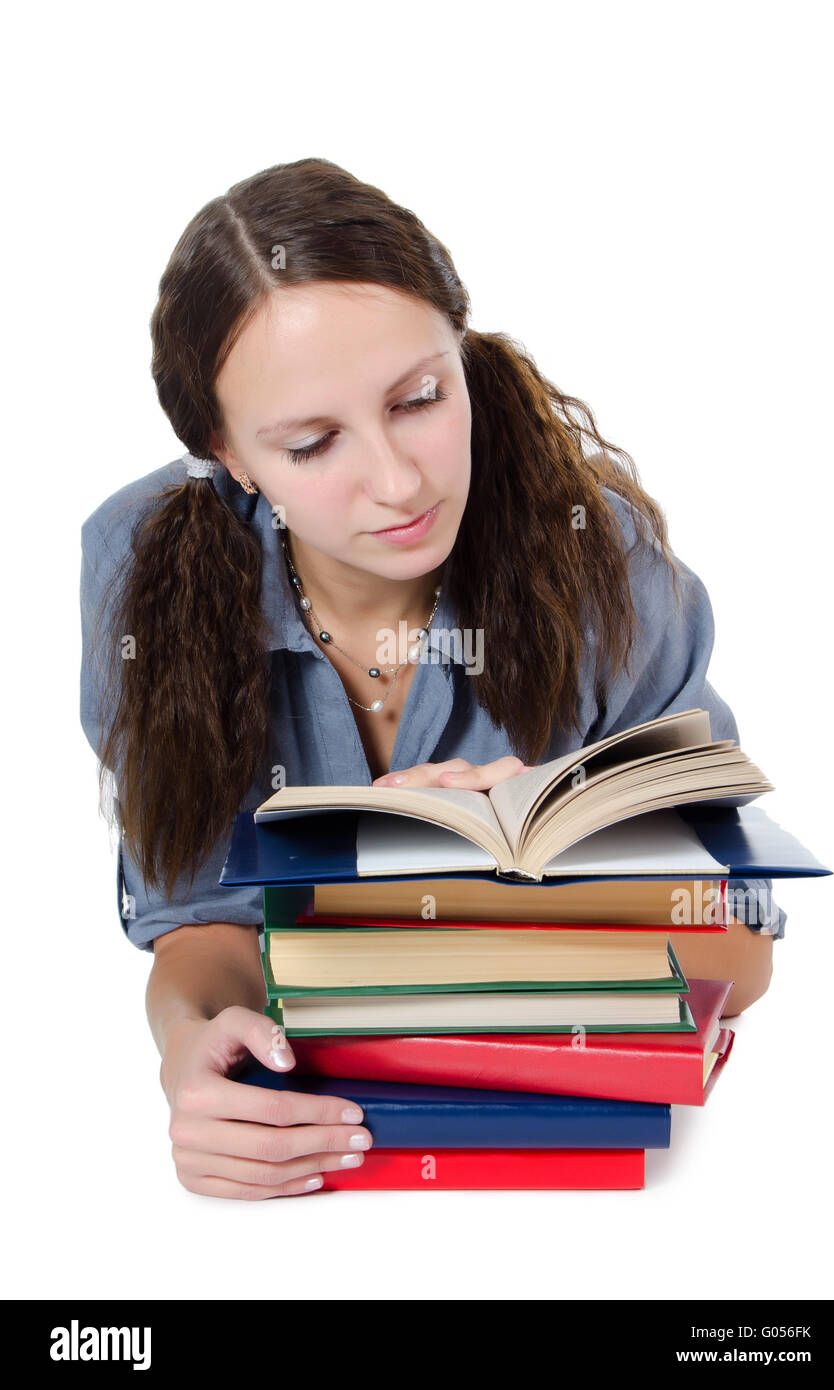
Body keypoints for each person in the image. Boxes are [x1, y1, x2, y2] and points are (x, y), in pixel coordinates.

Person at [79, 157, 783, 1202]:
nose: (401, 483)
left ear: (461, 349)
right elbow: (203, 916)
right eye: (313, 443)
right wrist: (190, 1046)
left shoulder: (601, 558)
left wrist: (542, 857)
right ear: (228, 454)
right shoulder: (143, 567)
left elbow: (743, 945)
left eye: (420, 397)